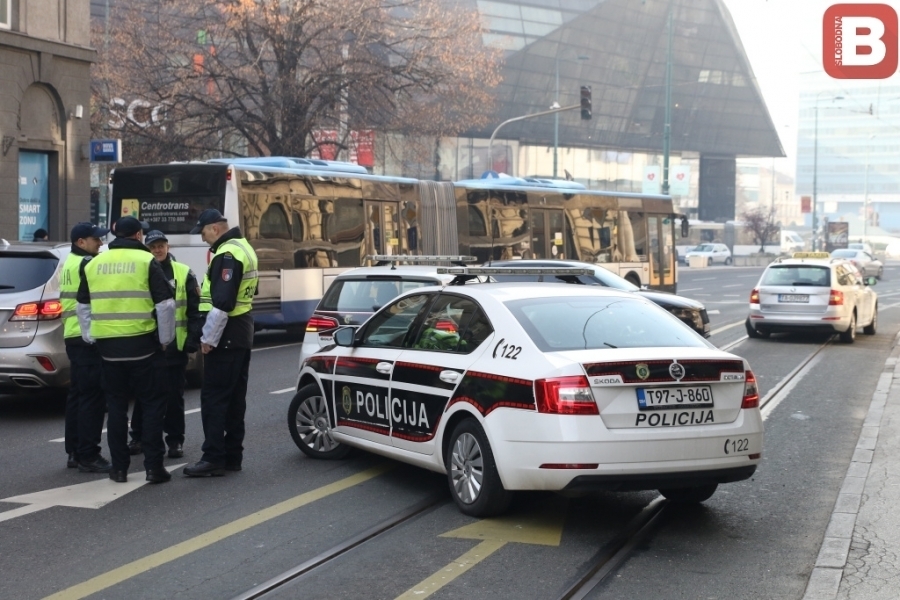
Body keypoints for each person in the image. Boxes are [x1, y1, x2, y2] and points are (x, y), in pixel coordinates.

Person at [76, 216, 175, 484]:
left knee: (116, 408)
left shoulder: (93, 263)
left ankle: (119, 468)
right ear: (139, 235)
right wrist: (164, 340)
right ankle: (154, 467)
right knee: (153, 405)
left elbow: (82, 306)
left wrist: (91, 337)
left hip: (108, 349)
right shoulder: (146, 262)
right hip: (144, 346)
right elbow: (165, 305)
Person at [183, 209, 258, 477]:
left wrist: (208, 339)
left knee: (214, 398)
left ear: (214, 228)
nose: (203, 239)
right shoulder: (244, 247)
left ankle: (213, 457)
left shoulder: (228, 254)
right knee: (235, 397)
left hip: (225, 334)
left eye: (203, 232)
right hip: (241, 331)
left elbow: (223, 302)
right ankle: (232, 456)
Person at [127, 230, 202, 459]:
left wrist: (191, 340)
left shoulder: (183, 273)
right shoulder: (141, 271)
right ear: (147, 249)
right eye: (153, 246)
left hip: (173, 349)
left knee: (173, 398)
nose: (158, 250)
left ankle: (175, 441)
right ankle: (138, 437)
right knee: (143, 396)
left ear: (168, 247)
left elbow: (195, 310)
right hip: (147, 347)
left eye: (161, 246)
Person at [61, 222, 111, 472]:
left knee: (78, 396)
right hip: (87, 336)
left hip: (73, 335)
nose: (101, 243)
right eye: (95, 239)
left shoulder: (68, 262)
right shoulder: (87, 264)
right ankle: (89, 455)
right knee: (92, 397)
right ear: (81, 242)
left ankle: (74, 452)